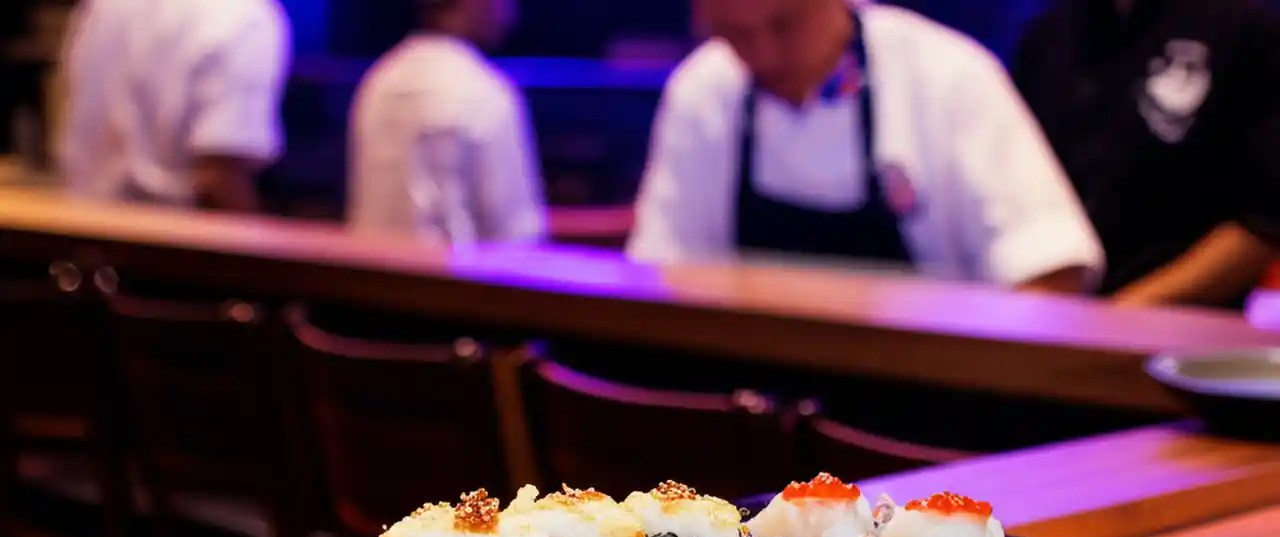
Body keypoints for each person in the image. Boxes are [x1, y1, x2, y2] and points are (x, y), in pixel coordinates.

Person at [627, 0, 1105, 292]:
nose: (764, 55)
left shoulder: (948, 78)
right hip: (755, 404)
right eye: (735, 35)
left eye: (783, 26)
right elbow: (663, 278)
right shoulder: (702, 92)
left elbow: (1051, 271)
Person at [1015, 0, 1280, 306]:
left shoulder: (1247, 25)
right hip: (1054, 316)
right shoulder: (1048, 34)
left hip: (1187, 324)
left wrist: (1120, 313)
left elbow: (1262, 225)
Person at [57, 0, 291, 212]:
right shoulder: (245, 19)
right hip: (172, 236)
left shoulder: (104, 6)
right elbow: (220, 177)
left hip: (80, 228)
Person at [348, 0, 546, 245]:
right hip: (459, 269)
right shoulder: (483, 92)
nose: (510, 11)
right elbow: (515, 233)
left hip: (371, 267)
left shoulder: (379, 83)